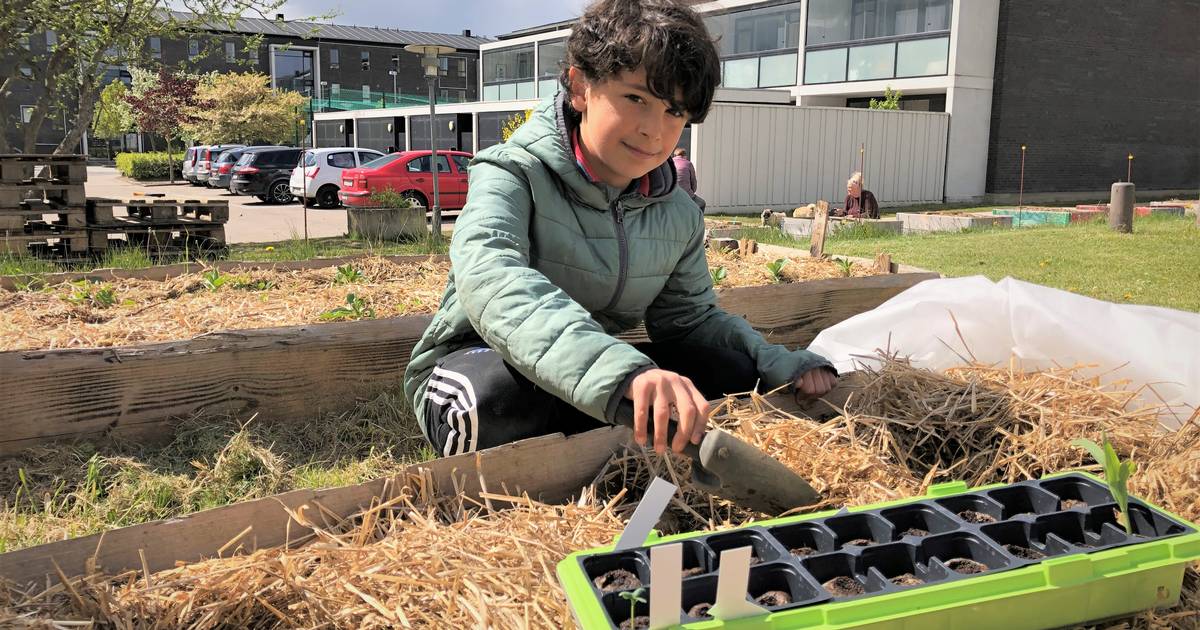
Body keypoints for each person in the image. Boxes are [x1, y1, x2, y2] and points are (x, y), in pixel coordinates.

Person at [403, 0, 837, 458]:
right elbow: (495, 280)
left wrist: (774, 360)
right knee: (495, 402)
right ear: (579, 87)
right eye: (636, 99)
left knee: (733, 374)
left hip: (599, 375)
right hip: (477, 363)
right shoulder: (510, 174)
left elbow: (690, 320)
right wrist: (624, 373)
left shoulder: (677, 213)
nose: (655, 131)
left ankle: (616, 442)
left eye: (674, 111)